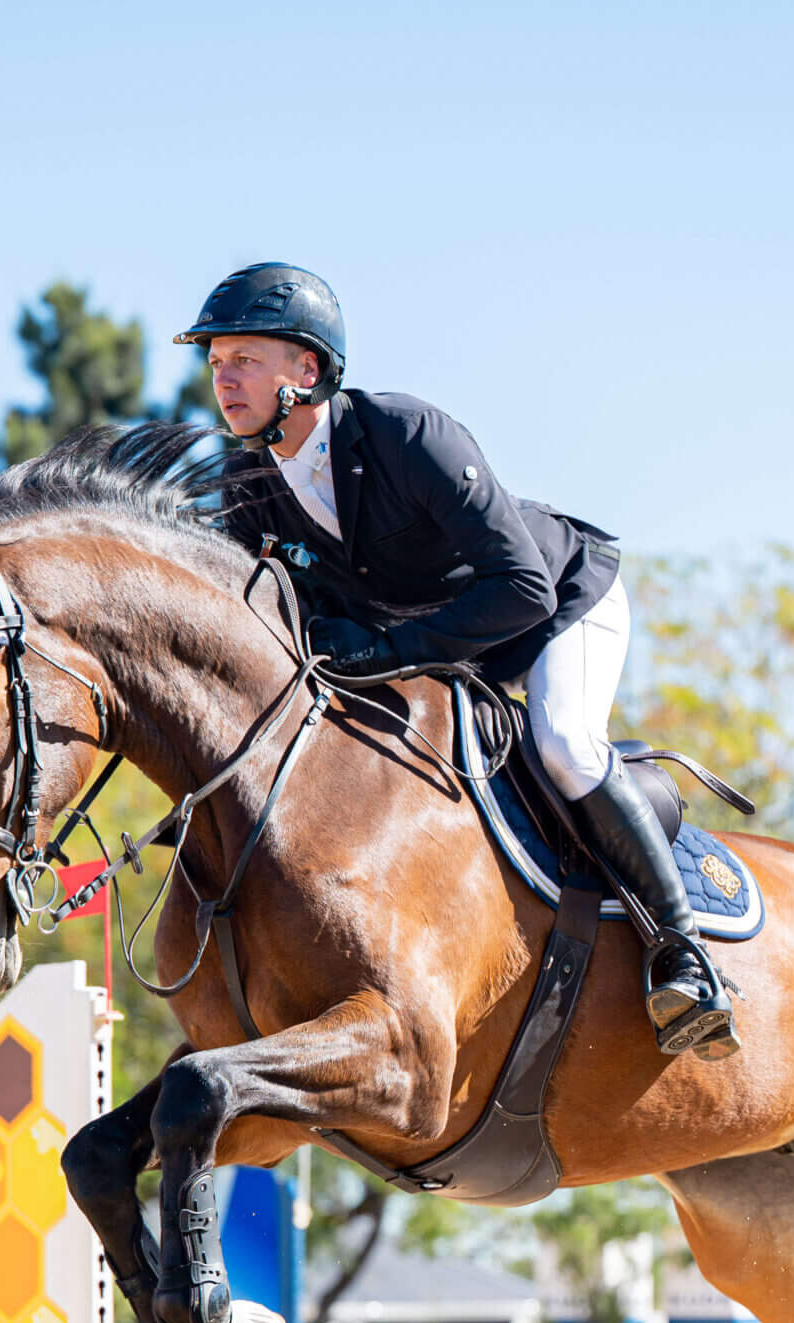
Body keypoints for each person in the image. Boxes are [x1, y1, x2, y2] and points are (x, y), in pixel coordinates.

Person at [175, 261, 736, 1061]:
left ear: (307, 369)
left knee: (564, 744)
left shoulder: (408, 437)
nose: (224, 380)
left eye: (244, 360)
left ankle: (684, 956)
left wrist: (388, 648)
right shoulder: (246, 485)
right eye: (216, 363)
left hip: (556, 604)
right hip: (440, 649)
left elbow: (523, 589)